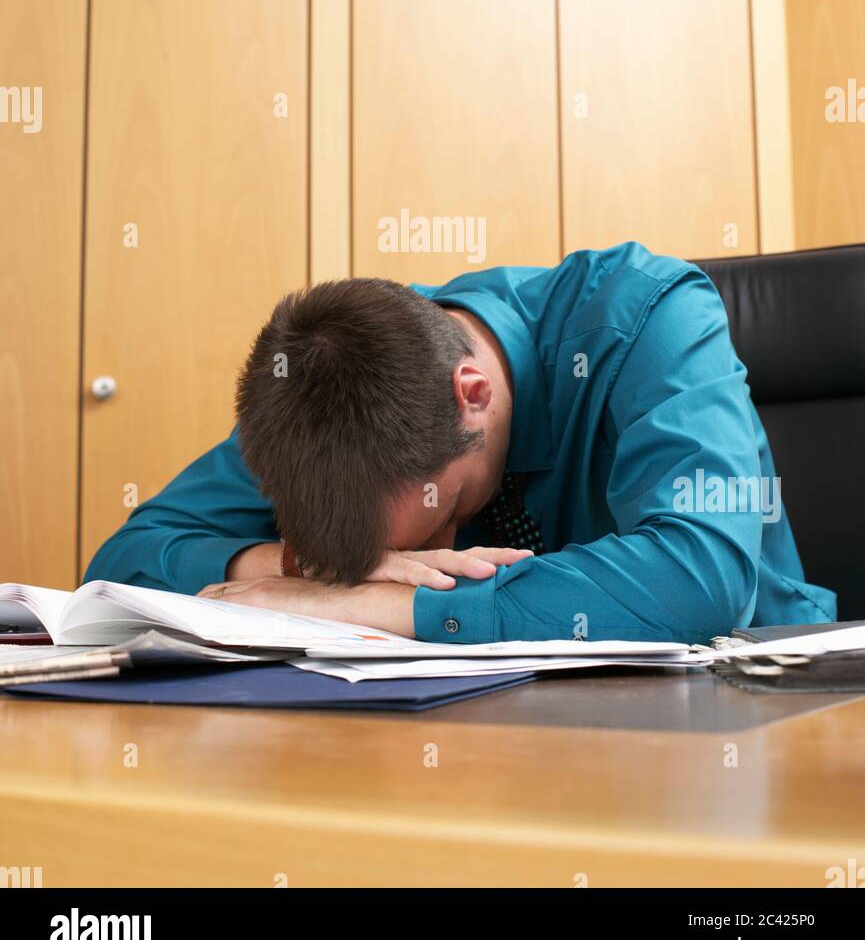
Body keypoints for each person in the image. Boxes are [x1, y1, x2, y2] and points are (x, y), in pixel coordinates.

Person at [84, 241, 837, 643]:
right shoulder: (319, 393)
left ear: (472, 396)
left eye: (439, 521)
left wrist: (371, 607)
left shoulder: (650, 314)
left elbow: (697, 579)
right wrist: (284, 568)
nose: (421, 561)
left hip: (743, 722)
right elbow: (124, 559)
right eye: (382, 566)